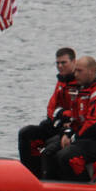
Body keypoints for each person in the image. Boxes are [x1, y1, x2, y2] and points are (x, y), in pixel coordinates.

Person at [46, 56, 96, 182]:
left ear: (91, 71)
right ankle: (50, 185)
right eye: (75, 71)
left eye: (79, 71)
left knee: (68, 156)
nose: (75, 74)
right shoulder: (83, 92)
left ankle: (83, 189)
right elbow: (76, 119)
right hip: (92, 137)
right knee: (50, 149)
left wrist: (74, 138)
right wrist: (67, 132)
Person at [18, 47, 78, 176]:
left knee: (50, 149)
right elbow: (51, 107)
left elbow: (78, 111)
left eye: (63, 63)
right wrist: (58, 115)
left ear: (74, 62)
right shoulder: (61, 82)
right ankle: (30, 174)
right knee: (26, 133)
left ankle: (47, 178)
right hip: (57, 124)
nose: (60, 66)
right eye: (57, 63)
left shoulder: (79, 83)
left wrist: (63, 115)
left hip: (70, 127)